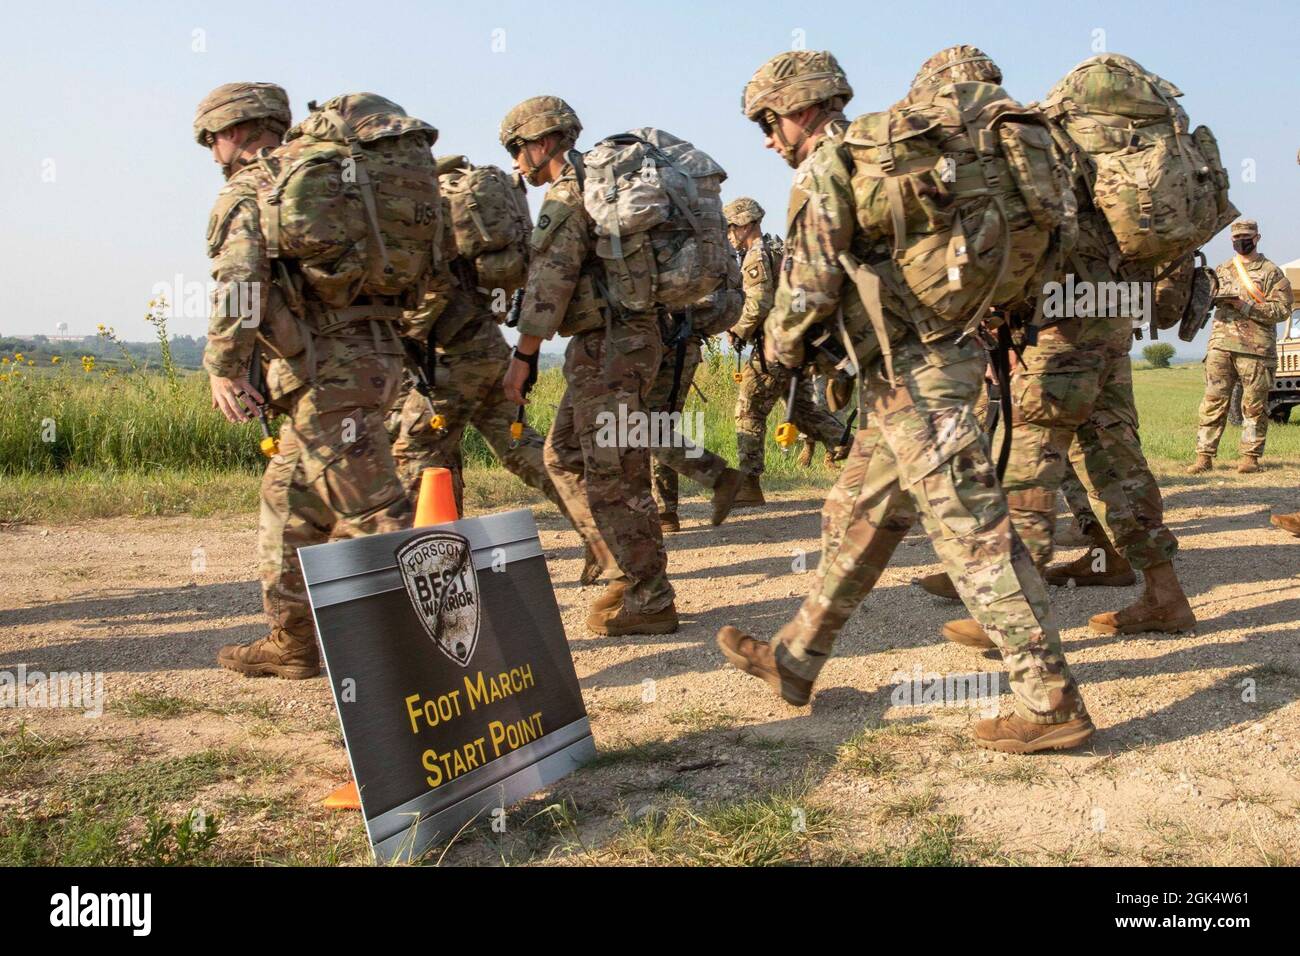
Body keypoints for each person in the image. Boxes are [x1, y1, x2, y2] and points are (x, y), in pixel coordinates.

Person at [714, 49, 1094, 753]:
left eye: (769, 122)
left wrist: (779, 349)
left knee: (974, 537)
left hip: (921, 382)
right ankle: (796, 659)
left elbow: (810, 283)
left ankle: (1050, 703)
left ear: (801, 108)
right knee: (855, 512)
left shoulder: (834, 165)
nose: (769, 139)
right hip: (913, 379)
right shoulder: (883, 162)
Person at [917, 47, 1195, 640]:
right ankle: (1164, 596)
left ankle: (1012, 622)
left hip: (1064, 322)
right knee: (1115, 454)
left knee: (1031, 458)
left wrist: (991, 309)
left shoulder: (1023, 140)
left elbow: (1019, 243)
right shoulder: (1078, 136)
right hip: (1111, 311)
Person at [196, 84, 414, 679]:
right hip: (378, 352)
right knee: (287, 501)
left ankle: (443, 653)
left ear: (235, 131)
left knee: (375, 511)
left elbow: (241, 283)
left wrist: (224, 366)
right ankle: (294, 641)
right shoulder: (349, 181)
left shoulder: (256, 186)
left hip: (326, 369)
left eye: (212, 141)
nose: (213, 155)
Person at [499, 96, 677, 636]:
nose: (517, 161)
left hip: (610, 346)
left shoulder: (570, 192)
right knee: (564, 454)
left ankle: (650, 597)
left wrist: (523, 358)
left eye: (518, 147)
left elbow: (548, 284)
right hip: (619, 343)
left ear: (544, 141)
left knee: (614, 472)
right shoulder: (598, 189)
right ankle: (625, 568)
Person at [724, 197, 848, 505]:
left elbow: (759, 303)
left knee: (749, 409)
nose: (728, 234)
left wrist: (736, 329)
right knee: (806, 413)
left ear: (746, 225)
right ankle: (858, 450)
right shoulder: (777, 250)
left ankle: (749, 484)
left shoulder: (756, 256)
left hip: (774, 345)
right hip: (795, 344)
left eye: (731, 227)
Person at [1190, 219, 1294, 474]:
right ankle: (1204, 457)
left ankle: (1250, 457)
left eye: (1246, 236)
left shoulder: (1271, 272)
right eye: (1237, 237)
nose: (1241, 241)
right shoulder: (1222, 270)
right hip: (1221, 345)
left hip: (1256, 349)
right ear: (1231, 240)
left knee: (1254, 404)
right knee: (1213, 401)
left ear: (1257, 238)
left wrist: (1244, 306)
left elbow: (1282, 310)